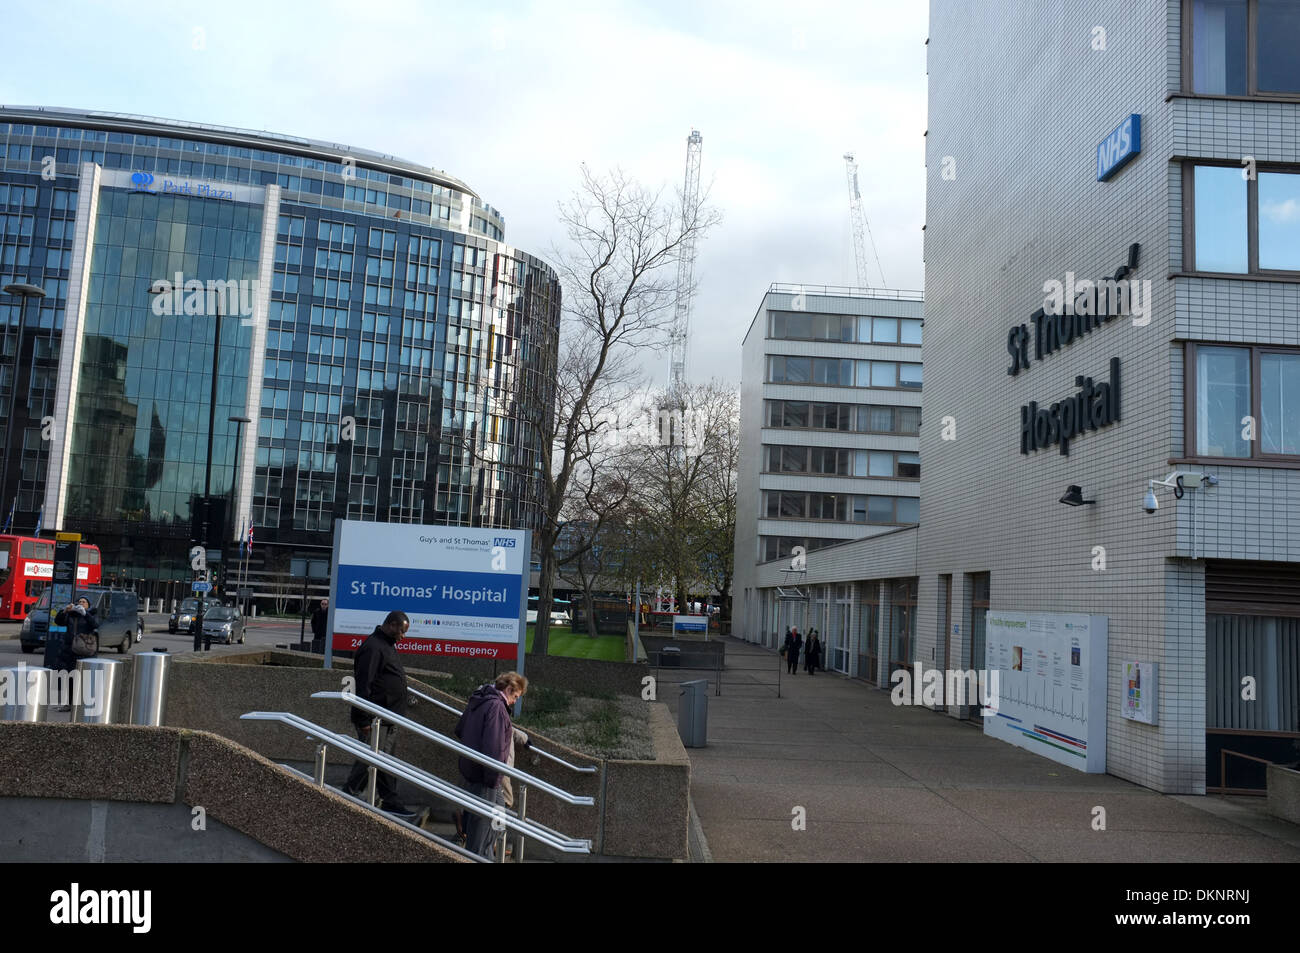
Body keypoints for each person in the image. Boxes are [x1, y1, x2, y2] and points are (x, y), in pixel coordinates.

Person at [343, 610, 417, 818]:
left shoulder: (385, 646)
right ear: (392, 625)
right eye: (402, 632)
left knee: (384, 761)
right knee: (371, 758)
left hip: (387, 717)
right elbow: (363, 685)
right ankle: (348, 793)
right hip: (375, 718)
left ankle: (390, 800)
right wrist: (364, 719)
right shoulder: (373, 647)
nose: (403, 637)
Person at [455, 671, 528, 859]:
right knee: (481, 833)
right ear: (509, 689)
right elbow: (494, 747)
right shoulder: (497, 707)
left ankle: (488, 851)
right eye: (516, 697)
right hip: (487, 778)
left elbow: (460, 729)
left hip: (476, 774)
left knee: (498, 819)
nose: (514, 701)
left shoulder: (479, 700)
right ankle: (481, 855)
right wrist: (494, 778)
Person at [48, 596, 98, 711]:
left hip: (85, 650)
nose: (81, 603)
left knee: (84, 678)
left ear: (88, 605)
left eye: (84, 602)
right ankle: (69, 704)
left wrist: (85, 614)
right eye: (79, 602)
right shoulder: (71, 615)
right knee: (70, 678)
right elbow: (58, 621)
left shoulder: (91, 614)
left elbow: (95, 625)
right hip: (70, 650)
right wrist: (64, 611)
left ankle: (83, 703)